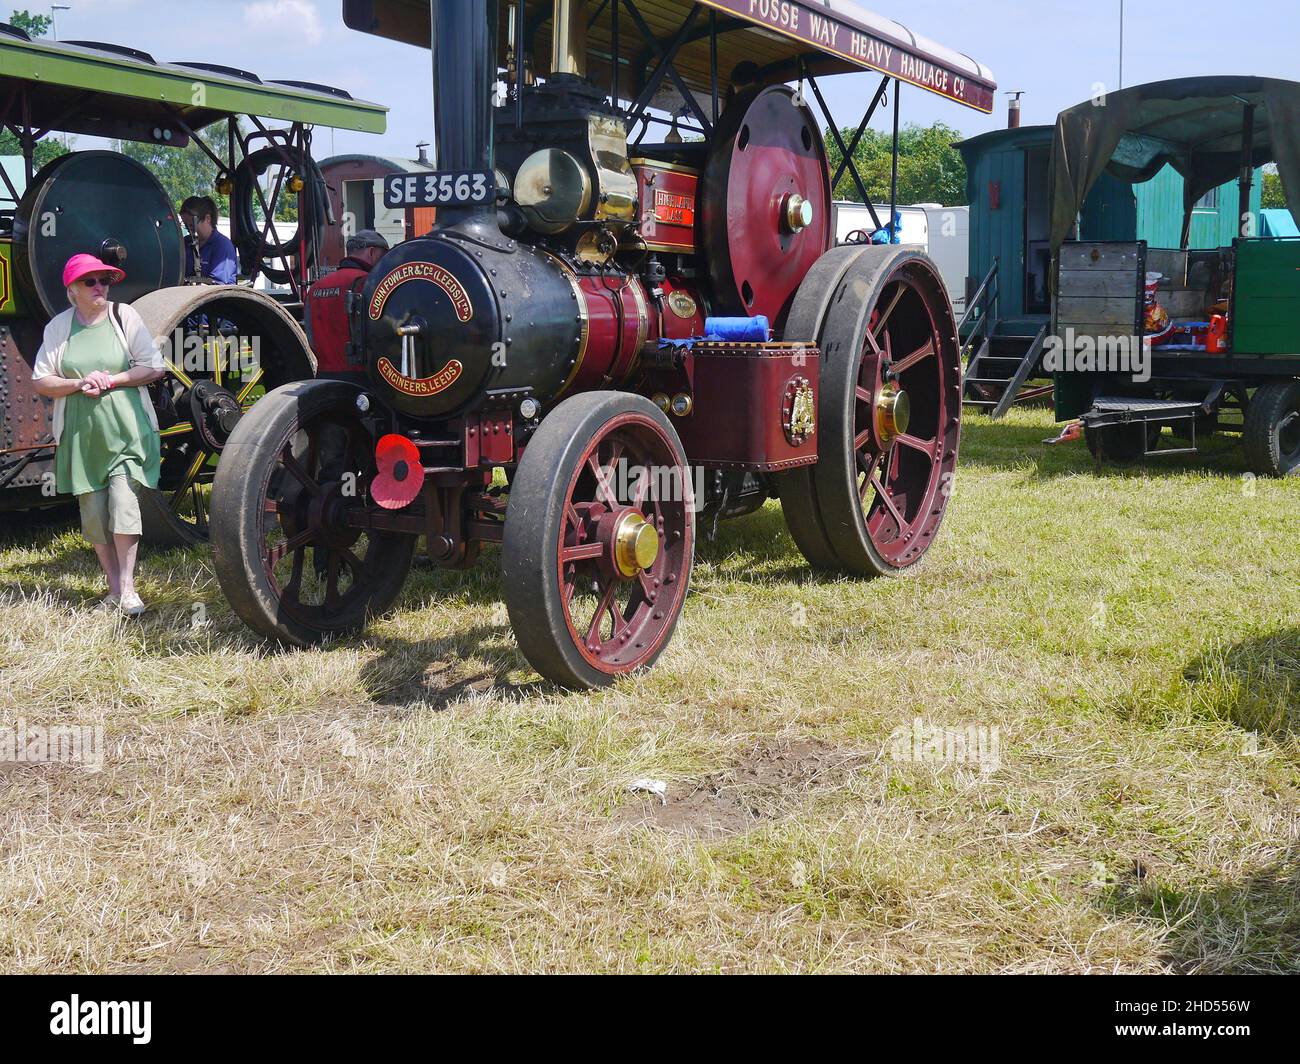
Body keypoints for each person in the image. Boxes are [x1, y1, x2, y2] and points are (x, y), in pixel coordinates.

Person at [31, 254, 167, 616]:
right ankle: (112, 588)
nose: (99, 287)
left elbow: (154, 367)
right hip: (81, 435)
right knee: (93, 514)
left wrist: (112, 379)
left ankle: (128, 589)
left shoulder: (124, 317)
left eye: (104, 280)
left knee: (123, 503)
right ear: (72, 289)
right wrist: (78, 382)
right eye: (90, 282)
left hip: (126, 429)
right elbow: (42, 379)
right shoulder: (59, 328)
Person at [304, 229, 390, 383]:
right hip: (363, 379)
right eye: (383, 256)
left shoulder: (315, 288)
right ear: (372, 252)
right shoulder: (368, 284)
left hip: (324, 377)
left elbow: (310, 337)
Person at [180, 195, 239, 285]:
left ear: (207, 219)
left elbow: (216, 287)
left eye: (192, 225)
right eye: (186, 225)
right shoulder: (185, 243)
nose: (189, 230)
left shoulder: (222, 246)